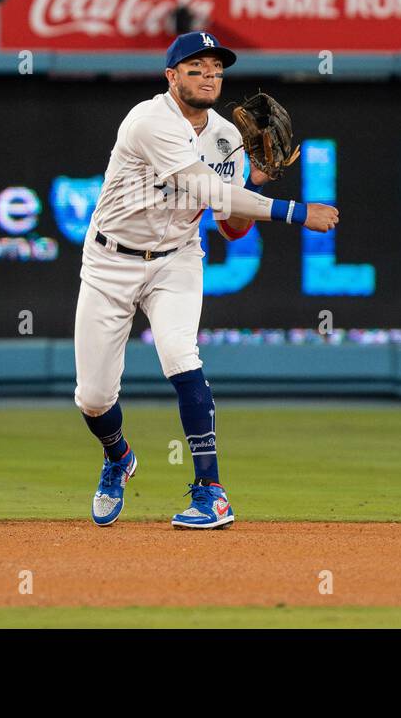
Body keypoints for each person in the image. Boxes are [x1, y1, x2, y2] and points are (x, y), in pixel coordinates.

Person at [75, 31, 338, 529]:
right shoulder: (148, 121)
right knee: (93, 398)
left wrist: (257, 178)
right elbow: (200, 184)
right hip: (111, 261)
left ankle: (210, 493)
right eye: (196, 67)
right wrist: (297, 212)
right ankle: (117, 458)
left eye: (217, 68)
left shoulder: (228, 136)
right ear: (171, 76)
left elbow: (229, 223)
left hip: (176, 259)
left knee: (181, 356)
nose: (209, 75)